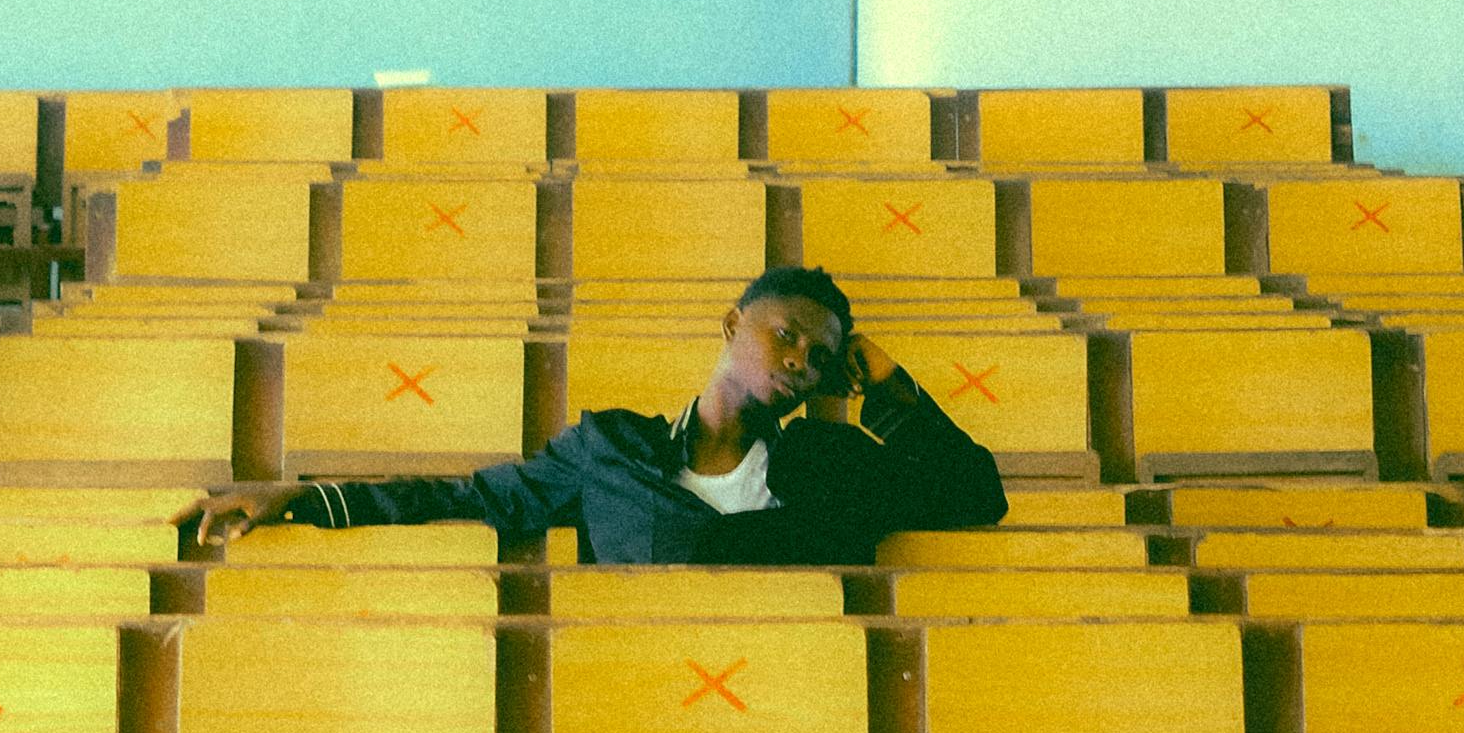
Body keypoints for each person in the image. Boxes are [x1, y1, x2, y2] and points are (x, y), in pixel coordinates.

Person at [196, 265, 1006, 565]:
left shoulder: (834, 462)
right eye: (785, 334)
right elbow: (472, 497)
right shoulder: (609, 451)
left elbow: (976, 496)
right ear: (733, 326)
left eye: (821, 358)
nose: (800, 360)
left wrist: (892, 386)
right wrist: (297, 497)